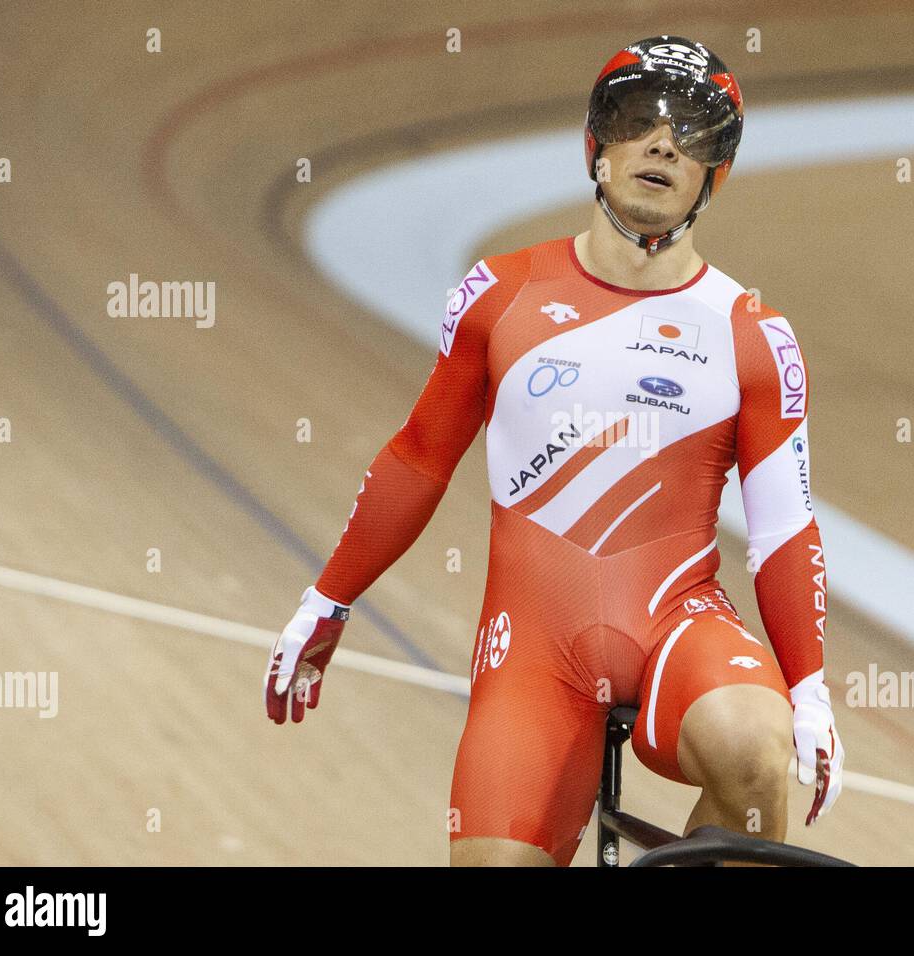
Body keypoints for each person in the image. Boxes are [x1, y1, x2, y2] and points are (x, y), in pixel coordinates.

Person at [263, 35, 844, 866]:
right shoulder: (500, 294)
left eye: (693, 133)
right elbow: (421, 457)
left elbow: (784, 527)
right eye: (638, 120)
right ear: (594, 147)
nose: (663, 143)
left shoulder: (755, 335)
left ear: (715, 173)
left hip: (679, 627)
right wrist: (330, 598)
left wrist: (811, 689)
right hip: (533, 653)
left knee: (758, 751)